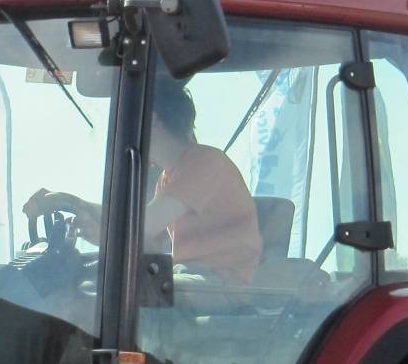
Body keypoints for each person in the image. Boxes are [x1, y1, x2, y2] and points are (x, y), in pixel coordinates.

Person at [23, 82, 262, 287]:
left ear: (153, 120)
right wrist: (71, 204)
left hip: (220, 284)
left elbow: (142, 227)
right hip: (190, 276)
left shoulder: (205, 163)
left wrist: (89, 222)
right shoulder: (169, 177)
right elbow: (150, 240)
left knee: (109, 295)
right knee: (91, 283)